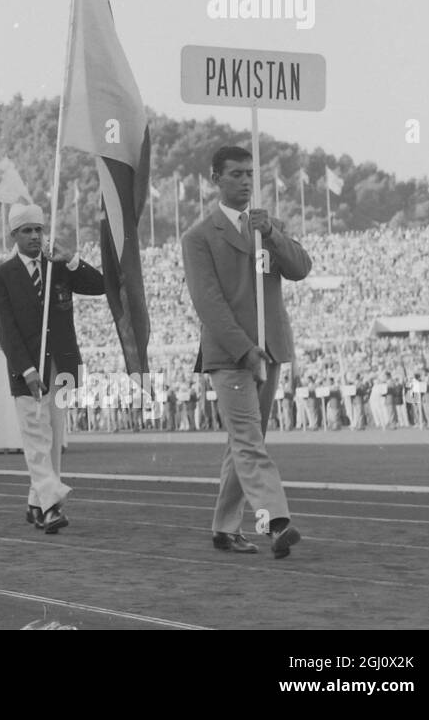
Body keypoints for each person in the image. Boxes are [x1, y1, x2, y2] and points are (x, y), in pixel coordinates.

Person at [181, 146, 311, 559]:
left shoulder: (267, 228)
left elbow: (300, 268)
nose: (244, 181)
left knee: (244, 440)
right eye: (235, 174)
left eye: (249, 174)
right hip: (231, 354)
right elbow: (208, 302)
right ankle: (277, 521)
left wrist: (271, 233)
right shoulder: (199, 237)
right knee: (250, 441)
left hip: (270, 349)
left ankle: (224, 528)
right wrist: (244, 350)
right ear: (215, 179)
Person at [0, 203, 105, 534]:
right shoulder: (2, 276)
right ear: (13, 235)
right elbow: (6, 329)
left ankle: (36, 504)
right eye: (27, 231)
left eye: (39, 229)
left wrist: (70, 259)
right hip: (27, 369)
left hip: (61, 365)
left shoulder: (57, 267)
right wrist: (26, 369)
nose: (35, 236)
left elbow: (100, 286)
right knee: (35, 437)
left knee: (53, 438)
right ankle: (52, 507)